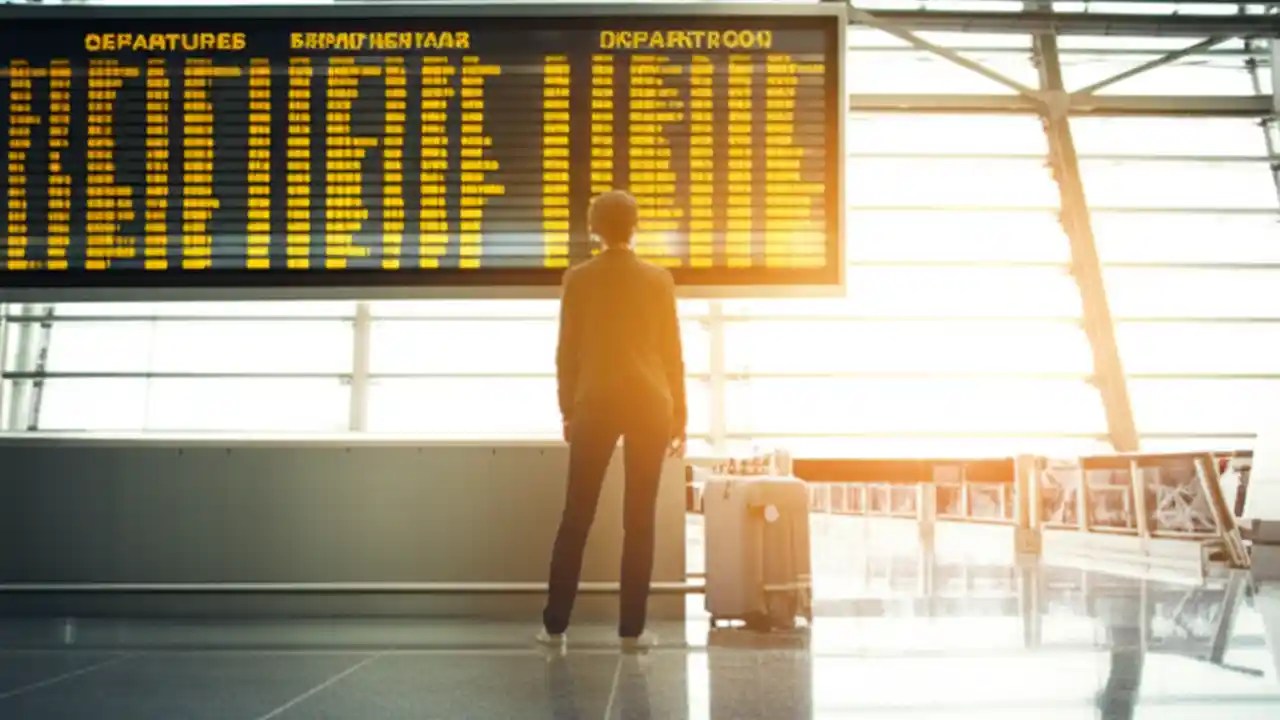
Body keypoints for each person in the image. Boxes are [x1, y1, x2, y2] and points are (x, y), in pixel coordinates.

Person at [538, 189, 687, 652]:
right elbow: (671, 352)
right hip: (650, 403)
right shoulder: (659, 280)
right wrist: (680, 414)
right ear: (635, 226)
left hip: (595, 402)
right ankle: (632, 630)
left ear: (594, 228)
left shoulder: (578, 279)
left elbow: (567, 351)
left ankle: (555, 625)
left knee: (576, 514)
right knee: (639, 519)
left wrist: (568, 408)